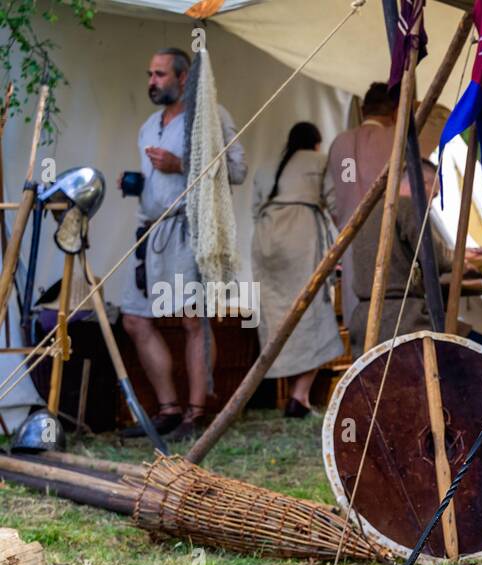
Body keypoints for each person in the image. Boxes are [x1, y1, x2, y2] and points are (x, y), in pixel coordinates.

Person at [120, 48, 246, 440]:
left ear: (183, 77)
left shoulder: (210, 117)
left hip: (188, 231)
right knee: (135, 318)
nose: (151, 82)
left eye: (159, 74)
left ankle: (195, 414)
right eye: (149, 74)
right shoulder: (148, 125)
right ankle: (168, 409)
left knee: (193, 321)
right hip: (151, 232)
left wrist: (181, 165)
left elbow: (237, 170)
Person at [250, 121, 341, 418]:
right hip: (300, 237)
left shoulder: (264, 167)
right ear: (316, 143)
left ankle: (295, 395)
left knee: (277, 315)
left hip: (265, 238)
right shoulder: (319, 160)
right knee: (312, 312)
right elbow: (336, 203)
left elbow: (254, 210)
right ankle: (299, 395)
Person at [347, 159, 450, 348]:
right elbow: (437, 258)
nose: (431, 205)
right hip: (403, 322)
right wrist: (469, 261)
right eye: (433, 196)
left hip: (364, 319)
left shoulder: (368, 210)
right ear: (424, 184)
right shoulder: (408, 207)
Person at [327, 82, 399, 323]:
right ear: (394, 111)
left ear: (363, 110)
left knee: (356, 305)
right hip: (387, 235)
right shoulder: (395, 139)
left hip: (349, 233)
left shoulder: (340, 143)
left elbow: (332, 198)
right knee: (388, 306)